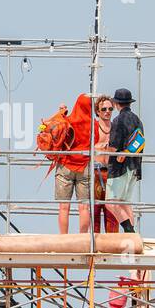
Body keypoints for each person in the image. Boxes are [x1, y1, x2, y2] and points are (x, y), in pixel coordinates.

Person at [54, 94, 107, 234]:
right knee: (84, 207)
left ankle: (63, 238)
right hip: (85, 167)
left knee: (63, 207)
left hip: (65, 165)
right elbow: (95, 142)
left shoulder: (68, 120)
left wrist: (62, 112)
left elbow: (57, 130)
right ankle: (82, 238)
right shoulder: (94, 125)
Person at [106, 88, 143, 233]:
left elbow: (113, 148)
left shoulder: (117, 120)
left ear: (116, 104)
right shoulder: (137, 119)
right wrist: (128, 152)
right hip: (134, 166)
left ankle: (129, 231)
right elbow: (140, 141)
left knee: (111, 202)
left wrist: (104, 149)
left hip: (119, 168)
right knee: (125, 203)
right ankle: (132, 235)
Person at [91, 95, 119, 233]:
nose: (107, 111)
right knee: (95, 211)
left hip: (112, 173)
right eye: (104, 109)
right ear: (97, 111)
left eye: (110, 109)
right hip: (96, 173)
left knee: (112, 212)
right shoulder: (93, 127)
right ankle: (94, 245)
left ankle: (112, 246)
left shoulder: (116, 128)